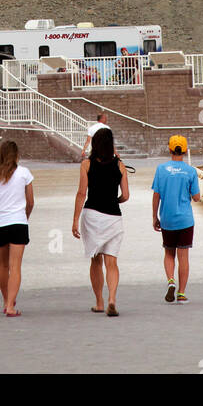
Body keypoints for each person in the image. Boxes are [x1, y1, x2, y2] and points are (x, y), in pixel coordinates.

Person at [72, 127, 129, 316]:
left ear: (94, 144)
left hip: (92, 216)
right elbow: (126, 196)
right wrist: (115, 201)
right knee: (111, 262)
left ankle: (99, 302)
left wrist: (75, 220)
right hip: (113, 217)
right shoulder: (120, 165)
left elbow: (81, 193)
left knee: (96, 261)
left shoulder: (86, 164)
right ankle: (112, 299)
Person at [0, 139, 34, 317]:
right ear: (17, 154)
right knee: (16, 266)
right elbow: (31, 202)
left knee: (3, 266)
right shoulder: (24, 173)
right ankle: (11, 306)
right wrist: (24, 217)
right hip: (18, 222)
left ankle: (6, 301)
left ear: (1, 155)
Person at [151, 135, 201, 303]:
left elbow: (156, 196)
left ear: (170, 149)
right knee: (183, 256)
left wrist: (155, 217)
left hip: (167, 219)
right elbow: (196, 197)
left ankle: (171, 280)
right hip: (185, 220)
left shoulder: (161, 169)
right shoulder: (190, 171)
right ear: (185, 150)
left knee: (169, 252)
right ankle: (181, 293)